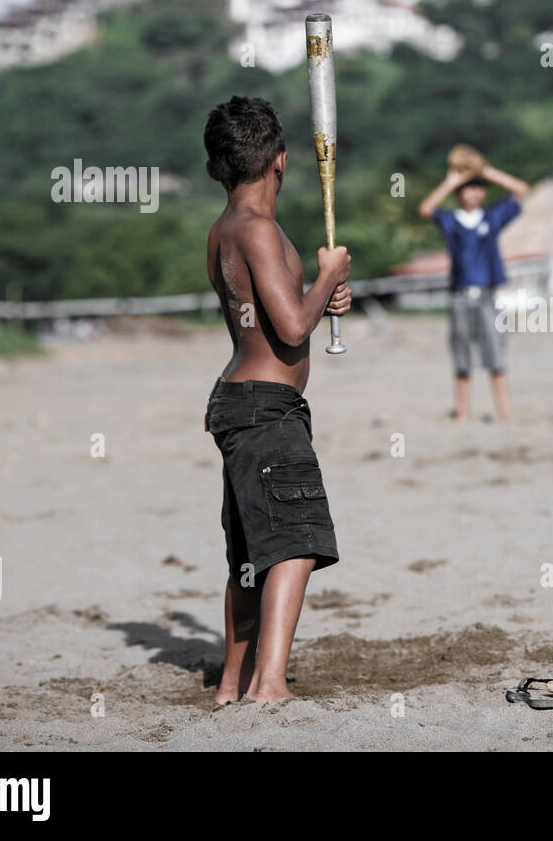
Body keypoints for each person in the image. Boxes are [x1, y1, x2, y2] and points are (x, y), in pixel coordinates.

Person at [201, 95, 353, 703]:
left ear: (217, 167)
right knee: (296, 538)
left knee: (247, 555)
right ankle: (269, 684)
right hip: (266, 407)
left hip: (241, 402)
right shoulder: (259, 230)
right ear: (282, 162)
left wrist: (324, 295)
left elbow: (275, 315)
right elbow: (290, 328)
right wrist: (326, 278)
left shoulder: (226, 228)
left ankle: (230, 685)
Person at [418, 156, 530, 422]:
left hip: (489, 294)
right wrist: (451, 181)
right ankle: (462, 412)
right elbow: (426, 208)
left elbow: (521, 191)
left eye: (479, 187)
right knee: (461, 353)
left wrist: (488, 172)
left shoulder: (492, 217)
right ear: (459, 193)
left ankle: (504, 412)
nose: (474, 192)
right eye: (469, 187)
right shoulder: (451, 221)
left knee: (496, 352)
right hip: (459, 294)